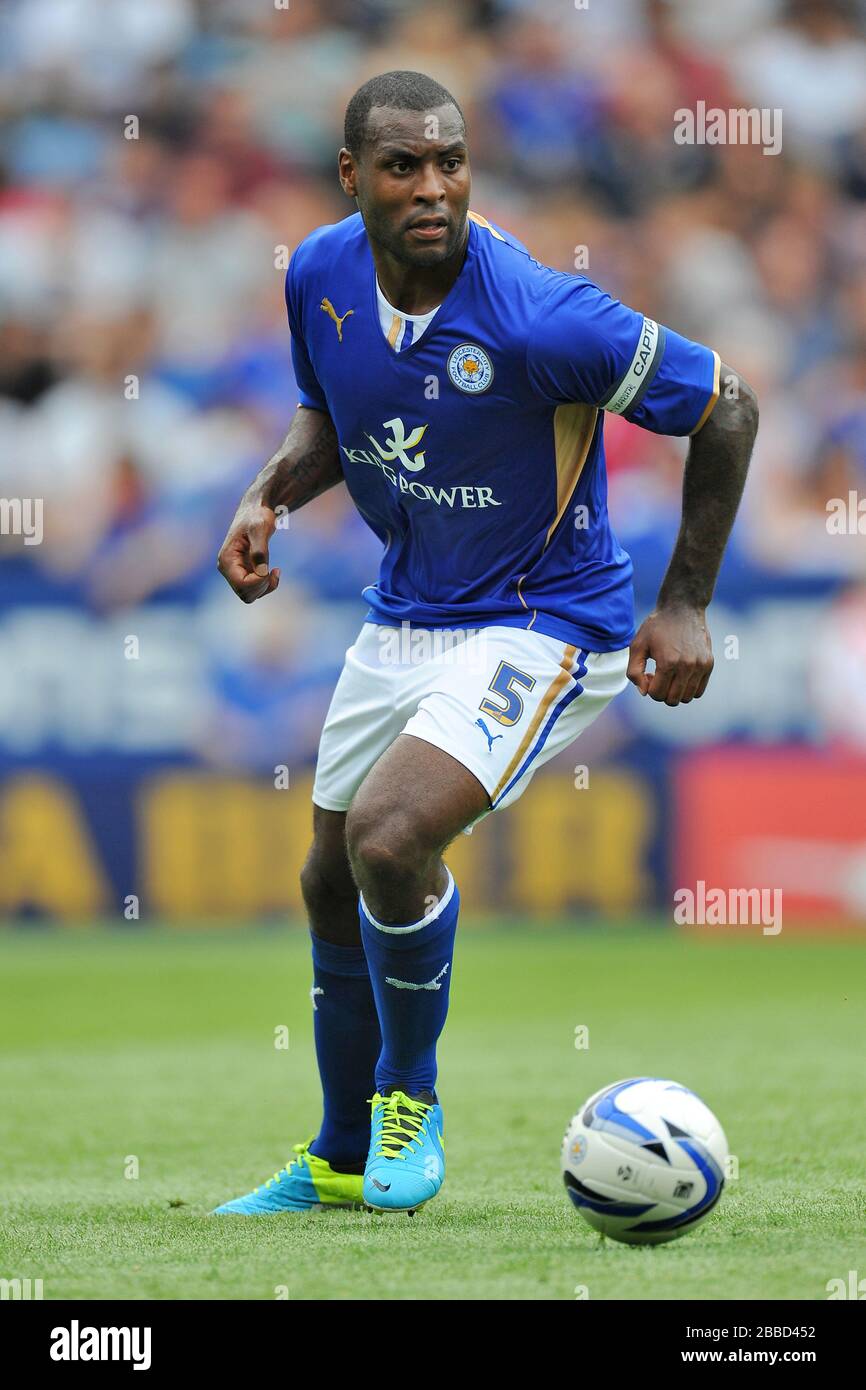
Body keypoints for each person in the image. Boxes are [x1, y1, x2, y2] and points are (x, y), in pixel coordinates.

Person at [213, 70, 758, 1216]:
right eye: (403, 166)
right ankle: (338, 1155)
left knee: (392, 837)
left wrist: (686, 602)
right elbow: (340, 417)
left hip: (546, 617)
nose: (432, 187)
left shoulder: (539, 316)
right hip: (407, 609)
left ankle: (412, 1100)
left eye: (449, 162)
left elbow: (726, 406)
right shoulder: (317, 274)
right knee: (328, 879)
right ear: (351, 177)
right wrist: (269, 493)